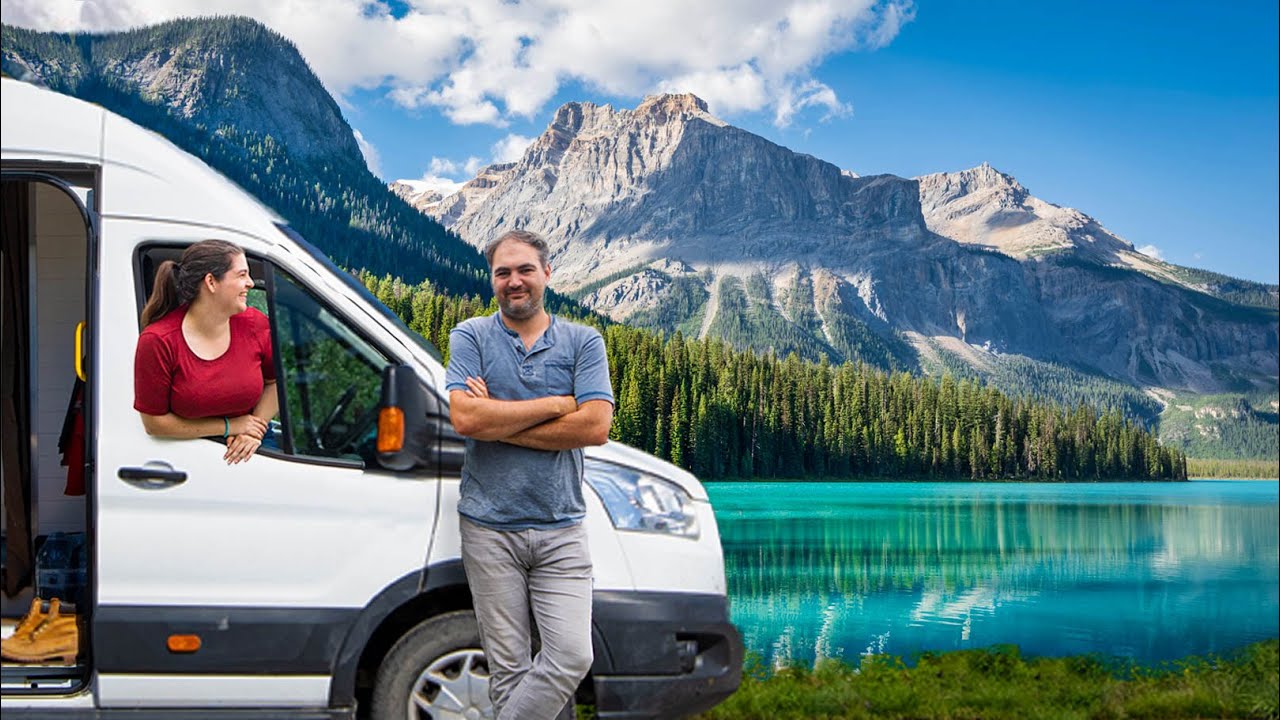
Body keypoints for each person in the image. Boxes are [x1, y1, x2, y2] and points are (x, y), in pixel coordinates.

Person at [445, 229, 614, 720]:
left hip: (562, 528)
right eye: (503, 272)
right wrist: (558, 405)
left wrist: (497, 419)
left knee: (571, 657)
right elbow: (466, 419)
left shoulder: (584, 341)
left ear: (547, 273)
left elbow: (595, 427)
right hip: (488, 529)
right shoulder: (470, 336)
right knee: (509, 672)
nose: (514, 281)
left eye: (525, 270)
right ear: (492, 279)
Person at [134, 239, 277, 464]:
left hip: (251, 448)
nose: (250, 283)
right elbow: (154, 423)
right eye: (242, 275)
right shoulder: (159, 341)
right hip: (187, 457)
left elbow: (275, 383)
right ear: (211, 282)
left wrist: (253, 429)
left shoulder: (254, 324)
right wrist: (230, 426)